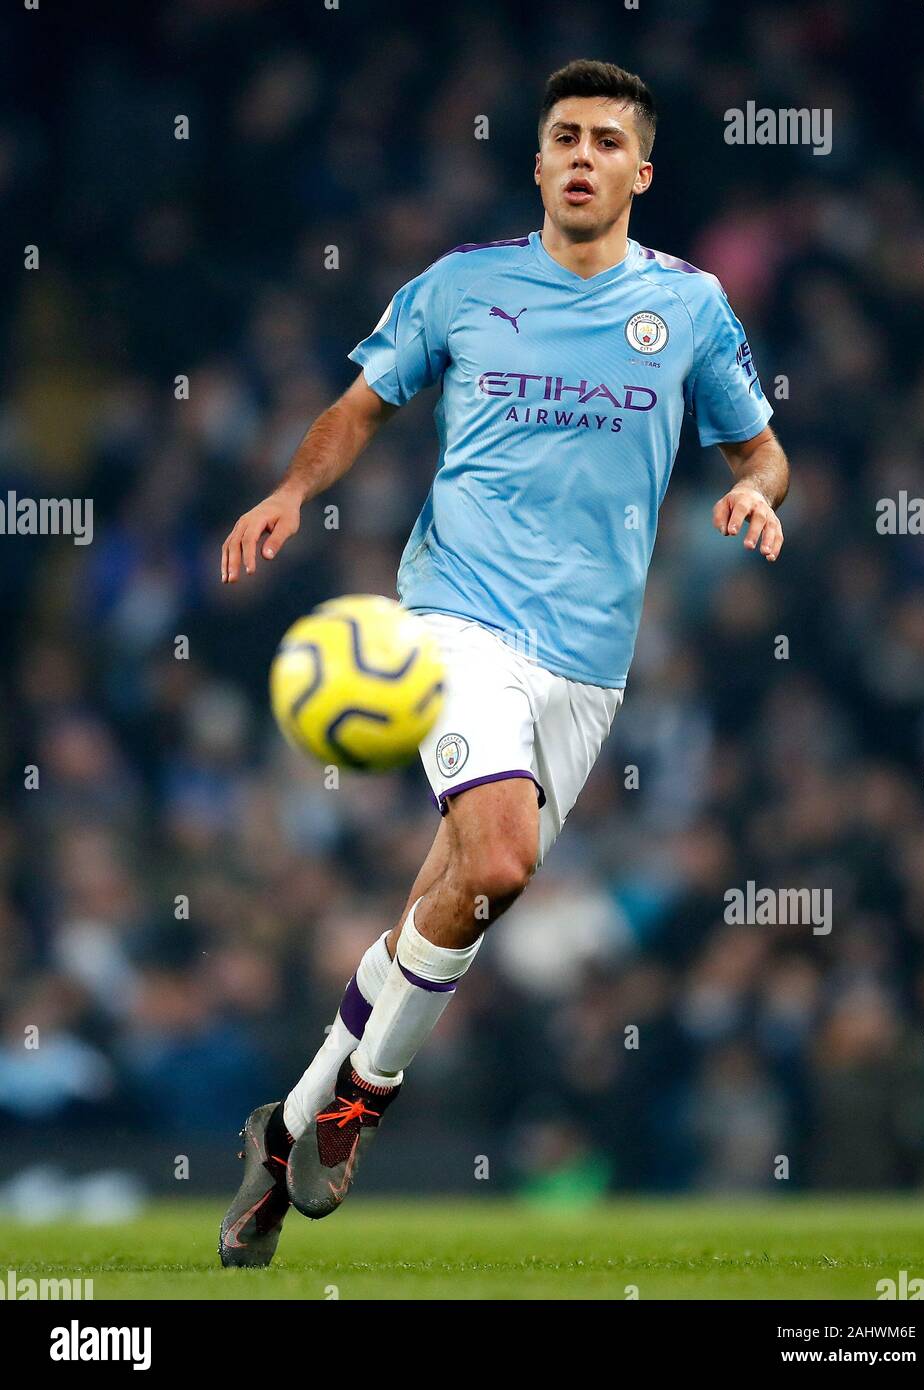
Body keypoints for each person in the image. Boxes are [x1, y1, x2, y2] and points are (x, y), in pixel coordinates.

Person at [218, 58, 789, 1267]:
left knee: (453, 900)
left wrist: (756, 497)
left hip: (590, 664)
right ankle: (360, 1111)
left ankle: (291, 1137)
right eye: (563, 137)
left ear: (642, 170)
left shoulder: (686, 308)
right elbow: (360, 407)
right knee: (502, 856)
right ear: (537, 162)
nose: (582, 156)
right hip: (455, 616)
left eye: (605, 141)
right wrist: (290, 488)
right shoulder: (462, 288)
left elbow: (763, 452)